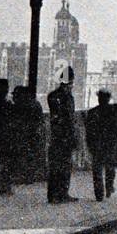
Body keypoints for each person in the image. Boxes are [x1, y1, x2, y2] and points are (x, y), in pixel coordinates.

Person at [46, 70, 78, 203]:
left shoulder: (52, 95)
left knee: (55, 165)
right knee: (64, 165)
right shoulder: (68, 97)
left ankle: (53, 194)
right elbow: (69, 118)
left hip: (56, 135)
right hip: (65, 135)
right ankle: (62, 193)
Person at [85, 88, 117, 201]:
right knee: (110, 167)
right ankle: (109, 188)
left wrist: (89, 144)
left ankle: (99, 194)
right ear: (109, 99)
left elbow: (88, 130)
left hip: (97, 144)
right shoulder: (114, 111)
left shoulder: (92, 112)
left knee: (97, 169)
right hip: (110, 144)